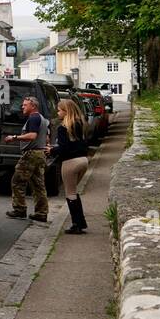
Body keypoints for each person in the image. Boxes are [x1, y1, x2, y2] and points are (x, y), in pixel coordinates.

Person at [4, 95, 49, 222]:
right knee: (38, 185)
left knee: (17, 181)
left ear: (33, 106)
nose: (22, 106)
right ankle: (41, 212)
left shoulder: (34, 118)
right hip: (40, 154)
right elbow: (46, 137)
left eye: (25, 105)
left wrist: (14, 137)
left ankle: (19, 209)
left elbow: (32, 135)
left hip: (31, 154)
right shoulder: (42, 119)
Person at [51, 98, 90, 233]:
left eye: (59, 110)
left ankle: (77, 224)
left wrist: (51, 150)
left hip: (70, 162)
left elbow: (64, 148)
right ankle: (81, 222)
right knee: (73, 191)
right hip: (83, 160)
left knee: (70, 193)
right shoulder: (81, 124)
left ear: (66, 112)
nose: (57, 113)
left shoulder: (63, 128)